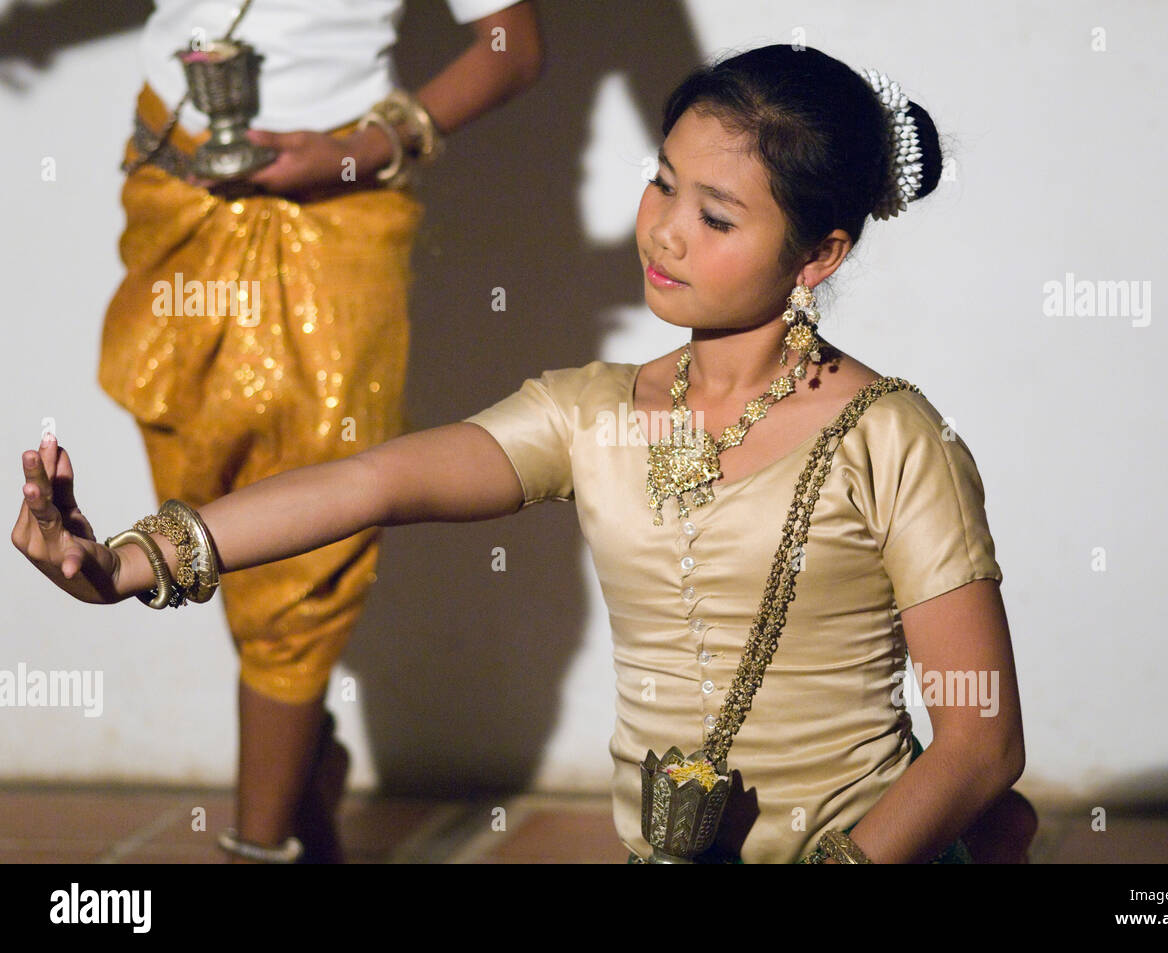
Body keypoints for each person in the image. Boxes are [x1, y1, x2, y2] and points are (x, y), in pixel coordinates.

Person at [16, 44, 1031, 864]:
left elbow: (981, 744)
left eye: (714, 216)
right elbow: (372, 481)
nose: (665, 233)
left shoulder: (893, 438)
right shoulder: (591, 412)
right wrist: (124, 562)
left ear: (819, 254)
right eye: (661, 185)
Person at [94, 0, 544, 862]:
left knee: (308, 552)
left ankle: (254, 845)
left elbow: (510, 45)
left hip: (334, 207)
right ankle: (303, 766)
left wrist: (355, 153)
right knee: (212, 503)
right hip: (172, 179)